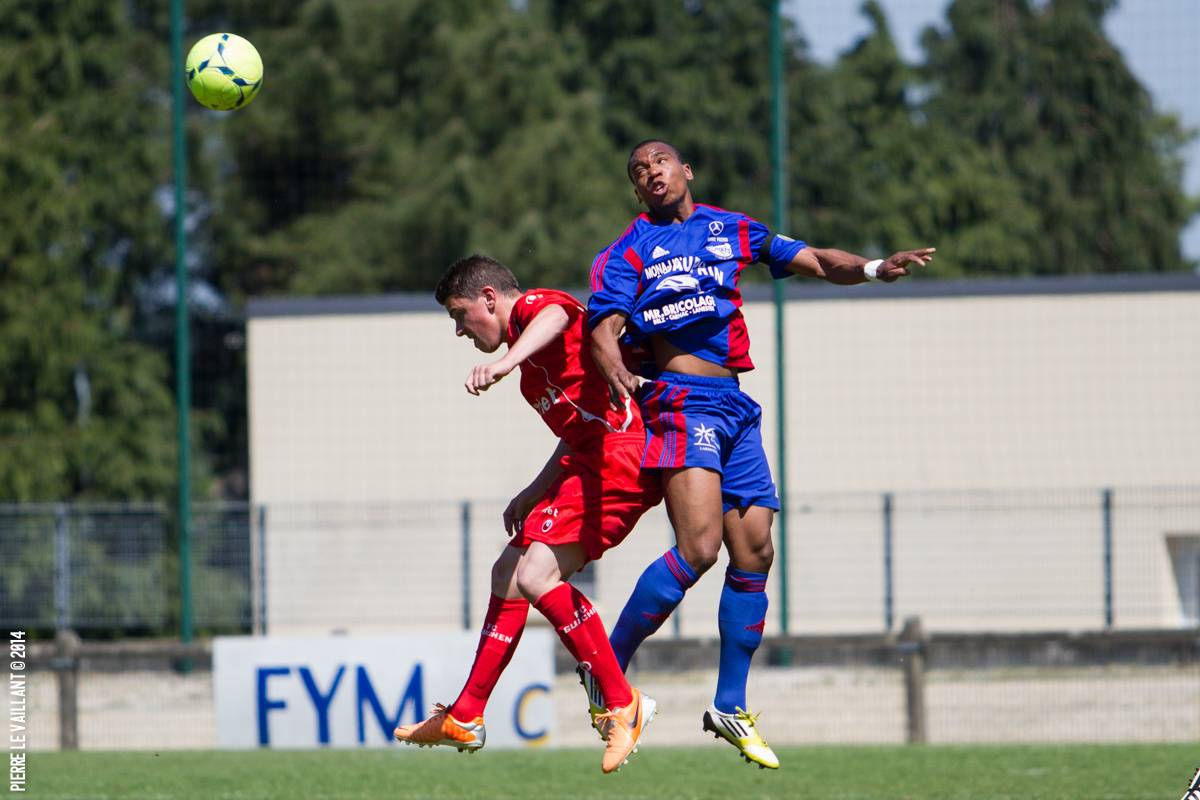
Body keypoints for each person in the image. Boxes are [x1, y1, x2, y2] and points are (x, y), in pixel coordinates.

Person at [583, 139, 935, 769]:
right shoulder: (627, 252)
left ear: (685, 170)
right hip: (681, 402)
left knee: (756, 551)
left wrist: (879, 267)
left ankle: (728, 704)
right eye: (639, 171)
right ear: (636, 192)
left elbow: (819, 261)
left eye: (659, 162)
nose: (650, 173)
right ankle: (605, 668)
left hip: (735, 407)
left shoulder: (730, 229)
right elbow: (602, 328)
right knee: (698, 548)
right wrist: (618, 374)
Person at [393, 255, 663, 774]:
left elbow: (560, 314)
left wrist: (504, 361)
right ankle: (467, 715)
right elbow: (577, 431)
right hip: (591, 460)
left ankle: (621, 702)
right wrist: (535, 489)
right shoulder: (531, 376)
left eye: (459, 314)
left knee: (536, 575)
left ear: (489, 299)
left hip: (622, 459)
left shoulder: (535, 311)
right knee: (508, 575)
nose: (458, 330)